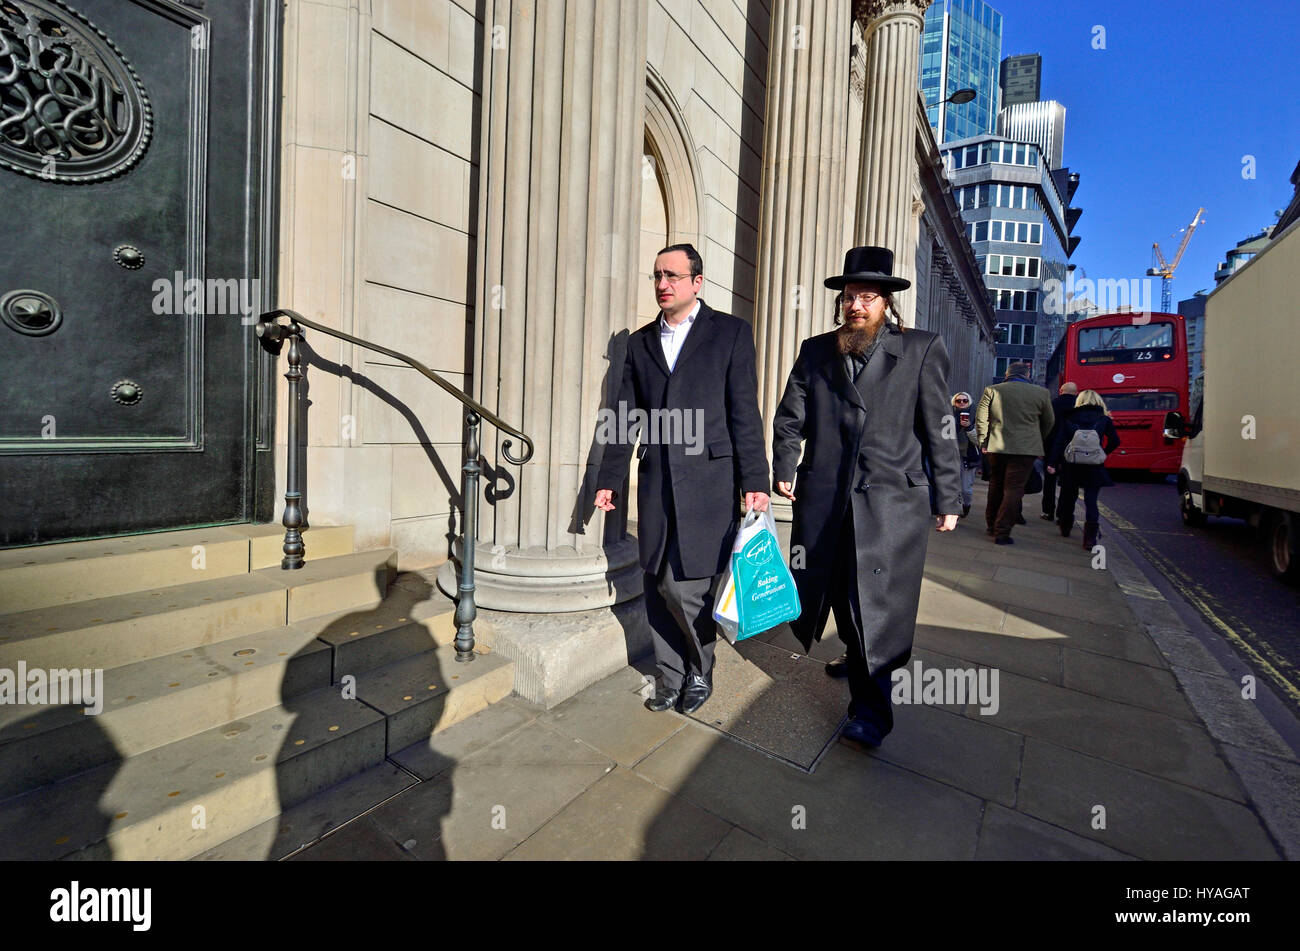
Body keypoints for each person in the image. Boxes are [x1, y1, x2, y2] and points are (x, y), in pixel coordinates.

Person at [772, 246, 962, 749]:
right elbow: (791, 416)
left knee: (874, 607)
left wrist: (949, 497)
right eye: (851, 296)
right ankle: (855, 656)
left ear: (887, 303)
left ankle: (871, 713)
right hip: (824, 501)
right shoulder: (816, 350)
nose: (857, 305)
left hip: (891, 506)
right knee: (830, 592)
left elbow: (941, 430)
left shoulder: (921, 348)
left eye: (869, 297)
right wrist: (785, 464)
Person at [595, 244, 770, 715]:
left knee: (687, 586)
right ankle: (669, 677)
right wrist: (609, 477)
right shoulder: (639, 342)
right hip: (656, 483)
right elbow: (625, 414)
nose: (662, 284)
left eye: (672, 275)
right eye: (656, 275)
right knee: (656, 581)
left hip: (710, 482)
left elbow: (744, 413)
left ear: (696, 281)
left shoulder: (730, 333)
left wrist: (755, 479)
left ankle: (699, 667)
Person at [974, 362, 1054, 545]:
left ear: (1006, 374)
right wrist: (1035, 439)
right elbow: (1049, 422)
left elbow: (981, 419)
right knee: (1014, 488)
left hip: (996, 446)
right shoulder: (1041, 393)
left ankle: (991, 525)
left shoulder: (992, 390)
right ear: (1027, 374)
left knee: (996, 485)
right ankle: (1002, 531)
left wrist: (983, 441)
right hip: (1025, 450)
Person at [1046, 389, 1121, 550]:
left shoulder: (1069, 417)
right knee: (1091, 500)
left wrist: (1052, 462)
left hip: (1071, 464)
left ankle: (1065, 527)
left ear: (1079, 400)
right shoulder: (1104, 419)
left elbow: (1059, 442)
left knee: (1068, 497)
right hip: (1094, 465)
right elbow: (1115, 440)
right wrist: (1103, 453)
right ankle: (1089, 539)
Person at [1040, 381, 1078, 520]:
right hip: (1073, 448)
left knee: (1049, 481)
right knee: (1069, 483)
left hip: (1051, 447)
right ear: (1076, 392)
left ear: (1061, 391)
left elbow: (1044, 424)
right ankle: (1063, 514)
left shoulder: (1052, 404)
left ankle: (1048, 511)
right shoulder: (1079, 405)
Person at [952, 391, 981, 517]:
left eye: (965, 400)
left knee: (966, 489)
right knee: (954, 487)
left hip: (969, 456)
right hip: (953, 455)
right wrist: (957, 425)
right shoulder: (949, 416)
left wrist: (969, 427)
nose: (962, 403)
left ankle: (966, 504)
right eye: (959, 401)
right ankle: (955, 511)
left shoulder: (977, 415)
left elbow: (978, 441)